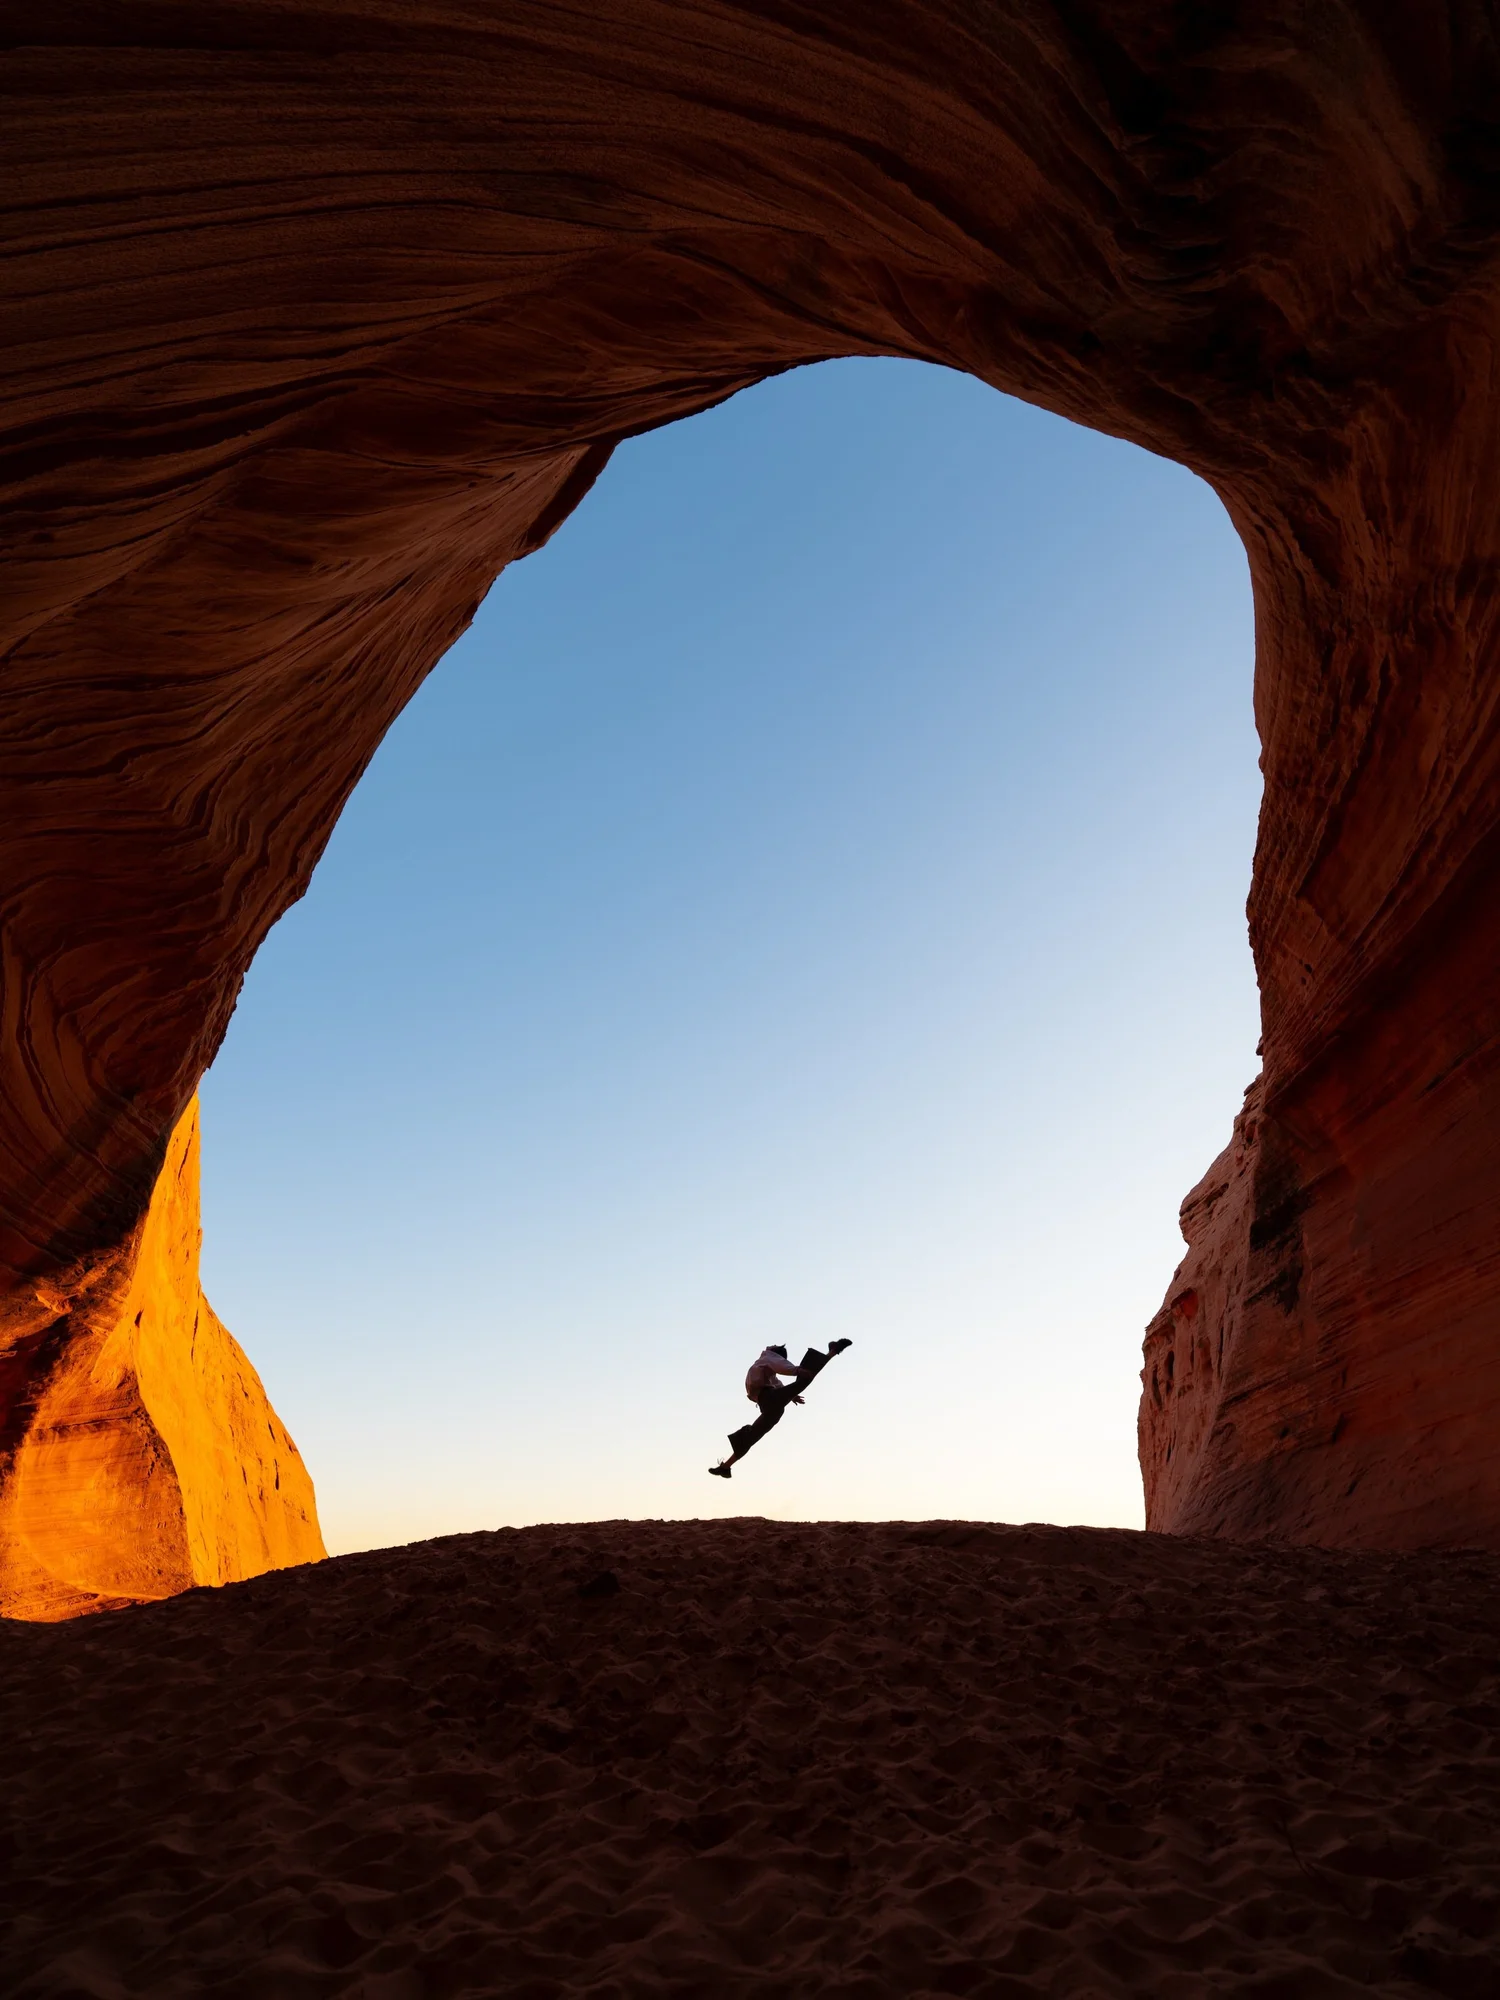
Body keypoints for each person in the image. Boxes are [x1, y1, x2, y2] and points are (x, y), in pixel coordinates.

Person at [708, 1339, 852, 1477]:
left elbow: (780, 1368)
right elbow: (778, 1379)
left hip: (770, 1401)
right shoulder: (765, 1361)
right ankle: (725, 1467)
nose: (772, 1344)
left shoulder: (768, 1357)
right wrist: (792, 1392)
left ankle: (832, 1351)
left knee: (804, 1379)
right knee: (750, 1437)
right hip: (770, 1407)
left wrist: (796, 1373)